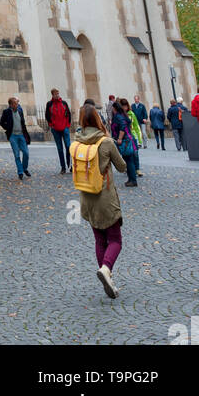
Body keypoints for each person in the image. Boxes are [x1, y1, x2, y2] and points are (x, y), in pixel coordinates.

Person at [71, 102, 128, 299]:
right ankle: (106, 270)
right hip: (105, 199)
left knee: (99, 239)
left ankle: (107, 276)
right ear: (98, 119)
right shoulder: (105, 142)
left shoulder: (76, 142)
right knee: (115, 240)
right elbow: (121, 167)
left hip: (87, 198)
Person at [0, 96, 31, 178]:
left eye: (17, 104)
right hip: (13, 136)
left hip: (21, 135)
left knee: (26, 153)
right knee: (17, 155)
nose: (16, 105)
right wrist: (8, 128)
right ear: (10, 105)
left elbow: (23, 123)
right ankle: (20, 172)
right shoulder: (6, 112)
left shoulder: (20, 110)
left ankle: (24, 168)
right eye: (15, 104)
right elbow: (2, 122)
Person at [110, 98, 138, 186]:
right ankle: (131, 179)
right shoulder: (123, 115)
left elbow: (122, 127)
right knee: (128, 160)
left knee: (129, 160)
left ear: (115, 108)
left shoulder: (118, 116)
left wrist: (119, 138)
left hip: (125, 140)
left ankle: (133, 180)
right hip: (128, 139)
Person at [44, 88, 72, 174]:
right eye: (55, 94)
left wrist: (68, 125)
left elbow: (68, 114)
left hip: (65, 128)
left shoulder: (64, 103)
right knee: (60, 149)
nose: (57, 95)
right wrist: (51, 125)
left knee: (68, 147)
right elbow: (47, 115)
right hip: (55, 129)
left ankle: (70, 164)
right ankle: (63, 167)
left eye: (58, 93)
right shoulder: (49, 104)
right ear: (52, 95)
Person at [126, 102, 143, 177]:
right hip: (125, 137)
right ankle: (129, 168)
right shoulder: (120, 115)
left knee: (135, 153)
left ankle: (137, 168)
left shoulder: (131, 114)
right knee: (128, 154)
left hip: (133, 137)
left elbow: (136, 127)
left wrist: (139, 140)